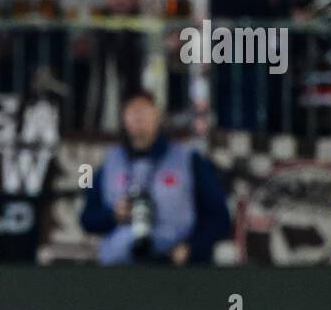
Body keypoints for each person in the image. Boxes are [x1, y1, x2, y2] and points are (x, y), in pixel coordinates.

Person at [80, 90, 230, 265]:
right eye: (132, 111)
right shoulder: (107, 163)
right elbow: (87, 219)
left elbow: (220, 218)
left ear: (157, 115)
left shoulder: (189, 159)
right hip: (120, 267)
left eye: (144, 110)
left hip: (173, 267)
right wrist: (113, 215)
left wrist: (190, 248)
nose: (138, 116)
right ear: (123, 118)